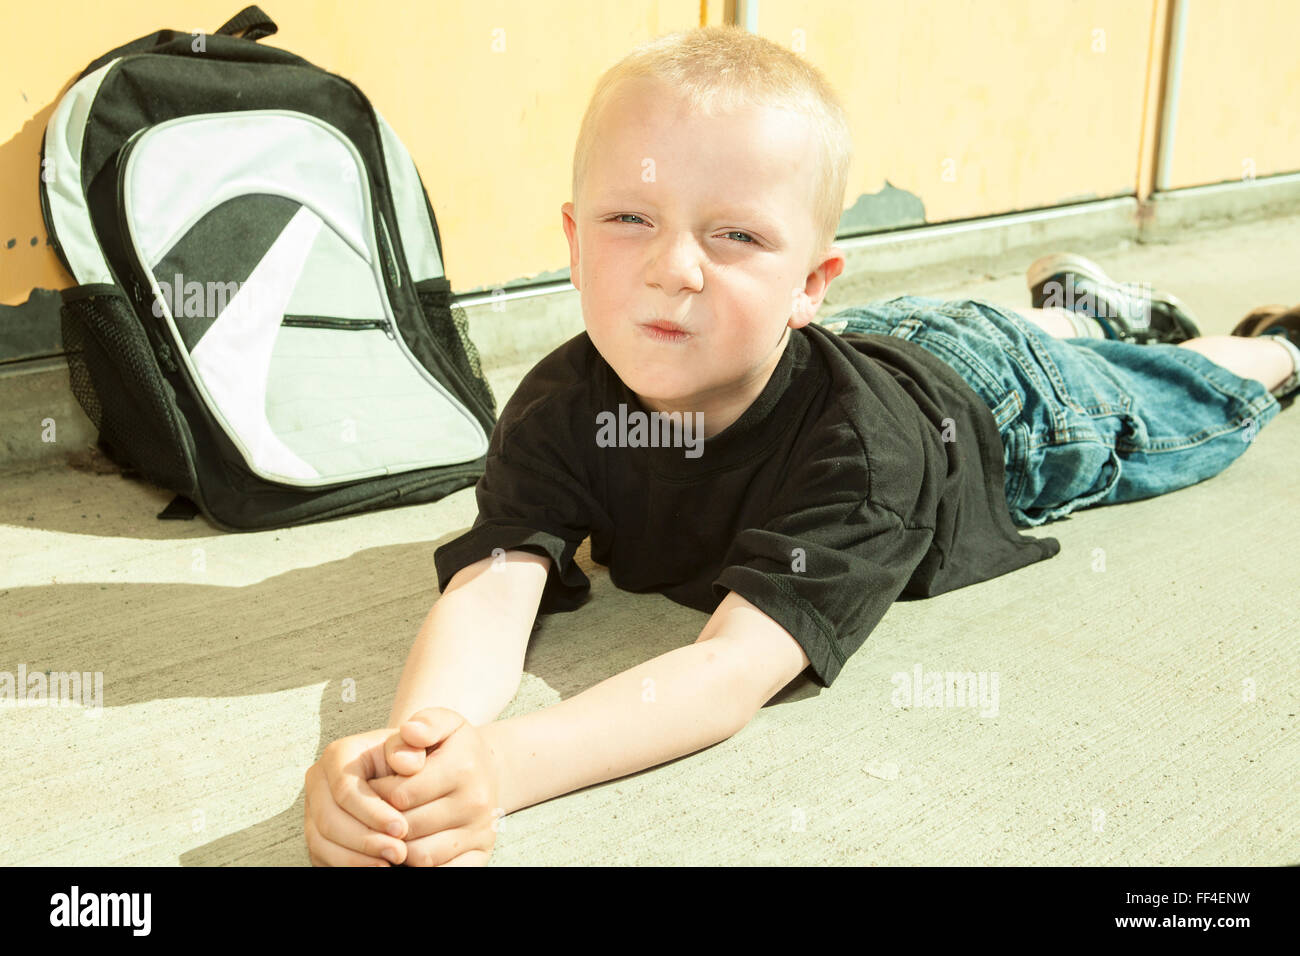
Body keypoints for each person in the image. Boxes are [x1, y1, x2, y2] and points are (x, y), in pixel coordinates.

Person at [302, 25, 1299, 866]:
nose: (672, 268)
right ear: (570, 237)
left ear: (809, 279)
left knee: (1179, 404)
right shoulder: (562, 400)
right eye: (627, 217)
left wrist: (504, 769)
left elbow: (731, 667)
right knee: (1076, 350)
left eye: (733, 235)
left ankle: (1251, 341)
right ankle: (1078, 313)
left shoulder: (860, 456)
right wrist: (413, 755)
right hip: (872, 332)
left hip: (1001, 402)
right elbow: (494, 579)